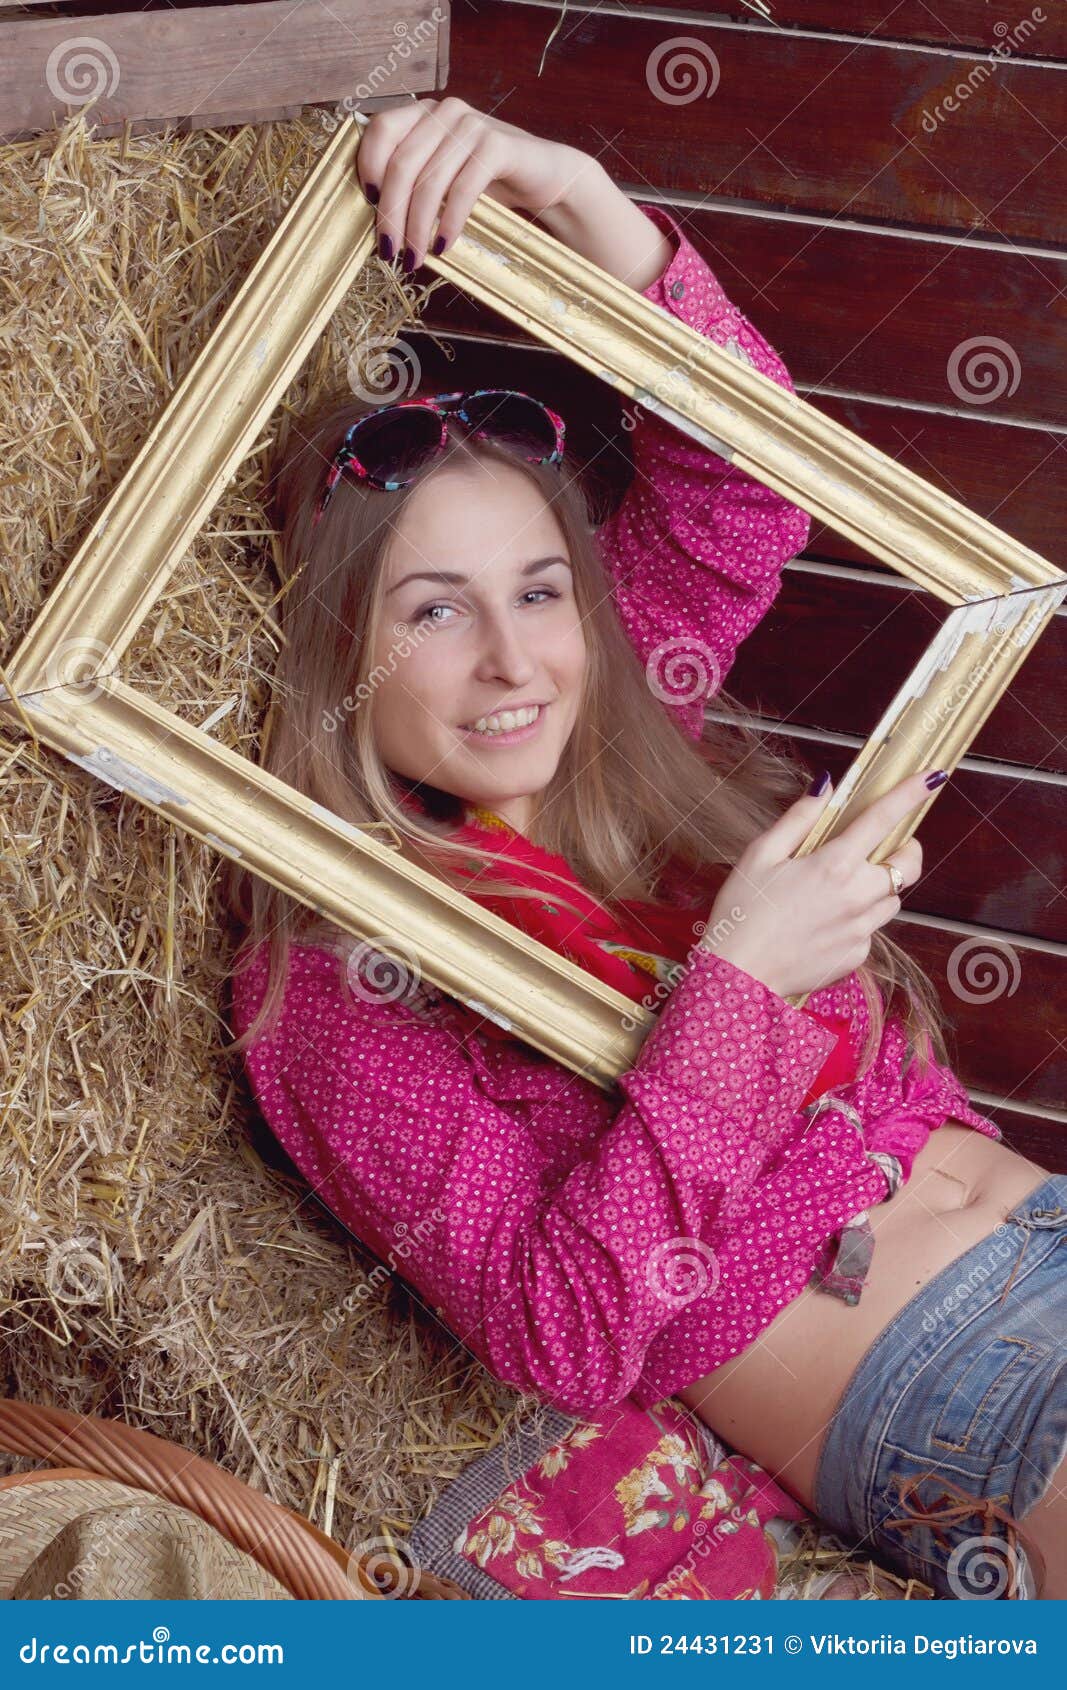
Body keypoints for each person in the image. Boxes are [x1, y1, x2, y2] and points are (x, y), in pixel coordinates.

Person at [220, 97, 1067, 1600]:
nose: (513, 658)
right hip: (944, 1390)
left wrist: (580, 190)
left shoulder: (614, 703)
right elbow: (568, 1325)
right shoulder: (335, 990)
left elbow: (747, 485)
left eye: (542, 589)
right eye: (432, 609)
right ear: (338, 651)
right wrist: (736, 980)